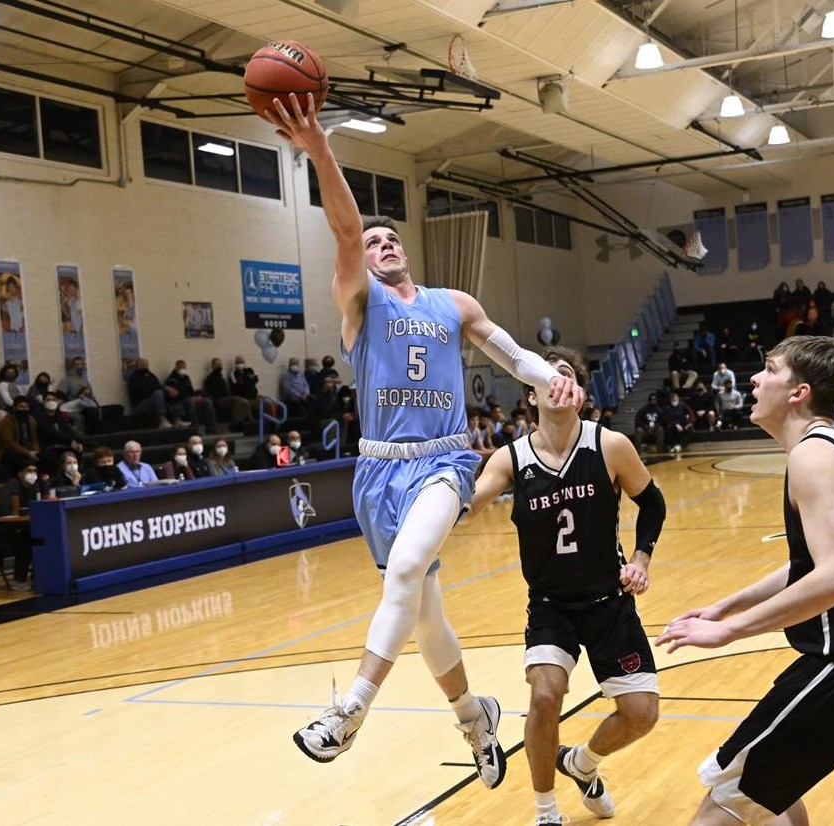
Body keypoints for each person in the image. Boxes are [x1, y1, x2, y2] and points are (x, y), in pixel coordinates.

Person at [272, 93, 583, 788]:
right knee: (423, 614)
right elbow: (346, 232)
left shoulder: (453, 303)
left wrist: (549, 381)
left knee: (408, 572)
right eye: (373, 241)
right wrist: (320, 149)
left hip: (442, 461)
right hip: (377, 474)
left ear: (406, 251)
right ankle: (476, 718)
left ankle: (348, 712)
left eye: (390, 239)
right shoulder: (361, 301)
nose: (380, 244)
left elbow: (511, 356)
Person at [655, 336, 834, 826]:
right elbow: (813, 563)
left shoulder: (812, 457)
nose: (754, 378)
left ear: (798, 392)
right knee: (774, 791)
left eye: (768, 369)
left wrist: (730, 630)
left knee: (722, 804)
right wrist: (725, 605)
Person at [470, 348, 663, 825]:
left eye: (568, 375)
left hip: (609, 602)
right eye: (546, 376)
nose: (558, 382)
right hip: (552, 604)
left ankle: (582, 763)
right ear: (531, 395)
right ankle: (545, 810)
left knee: (641, 714)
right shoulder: (511, 458)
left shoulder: (610, 445)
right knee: (544, 693)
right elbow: (466, 506)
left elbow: (653, 503)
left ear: (579, 393)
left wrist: (640, 558)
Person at [204, 358, 252, 427]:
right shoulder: (210, 378)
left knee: (245, 401)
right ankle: (235, 423)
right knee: (236, 400)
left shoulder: (221, 378)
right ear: (213, 366)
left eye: (220, 365)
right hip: (218, 399)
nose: (220, 367)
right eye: (217, 365)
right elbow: (211, 393)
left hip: (226, 397)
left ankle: (248, 422)